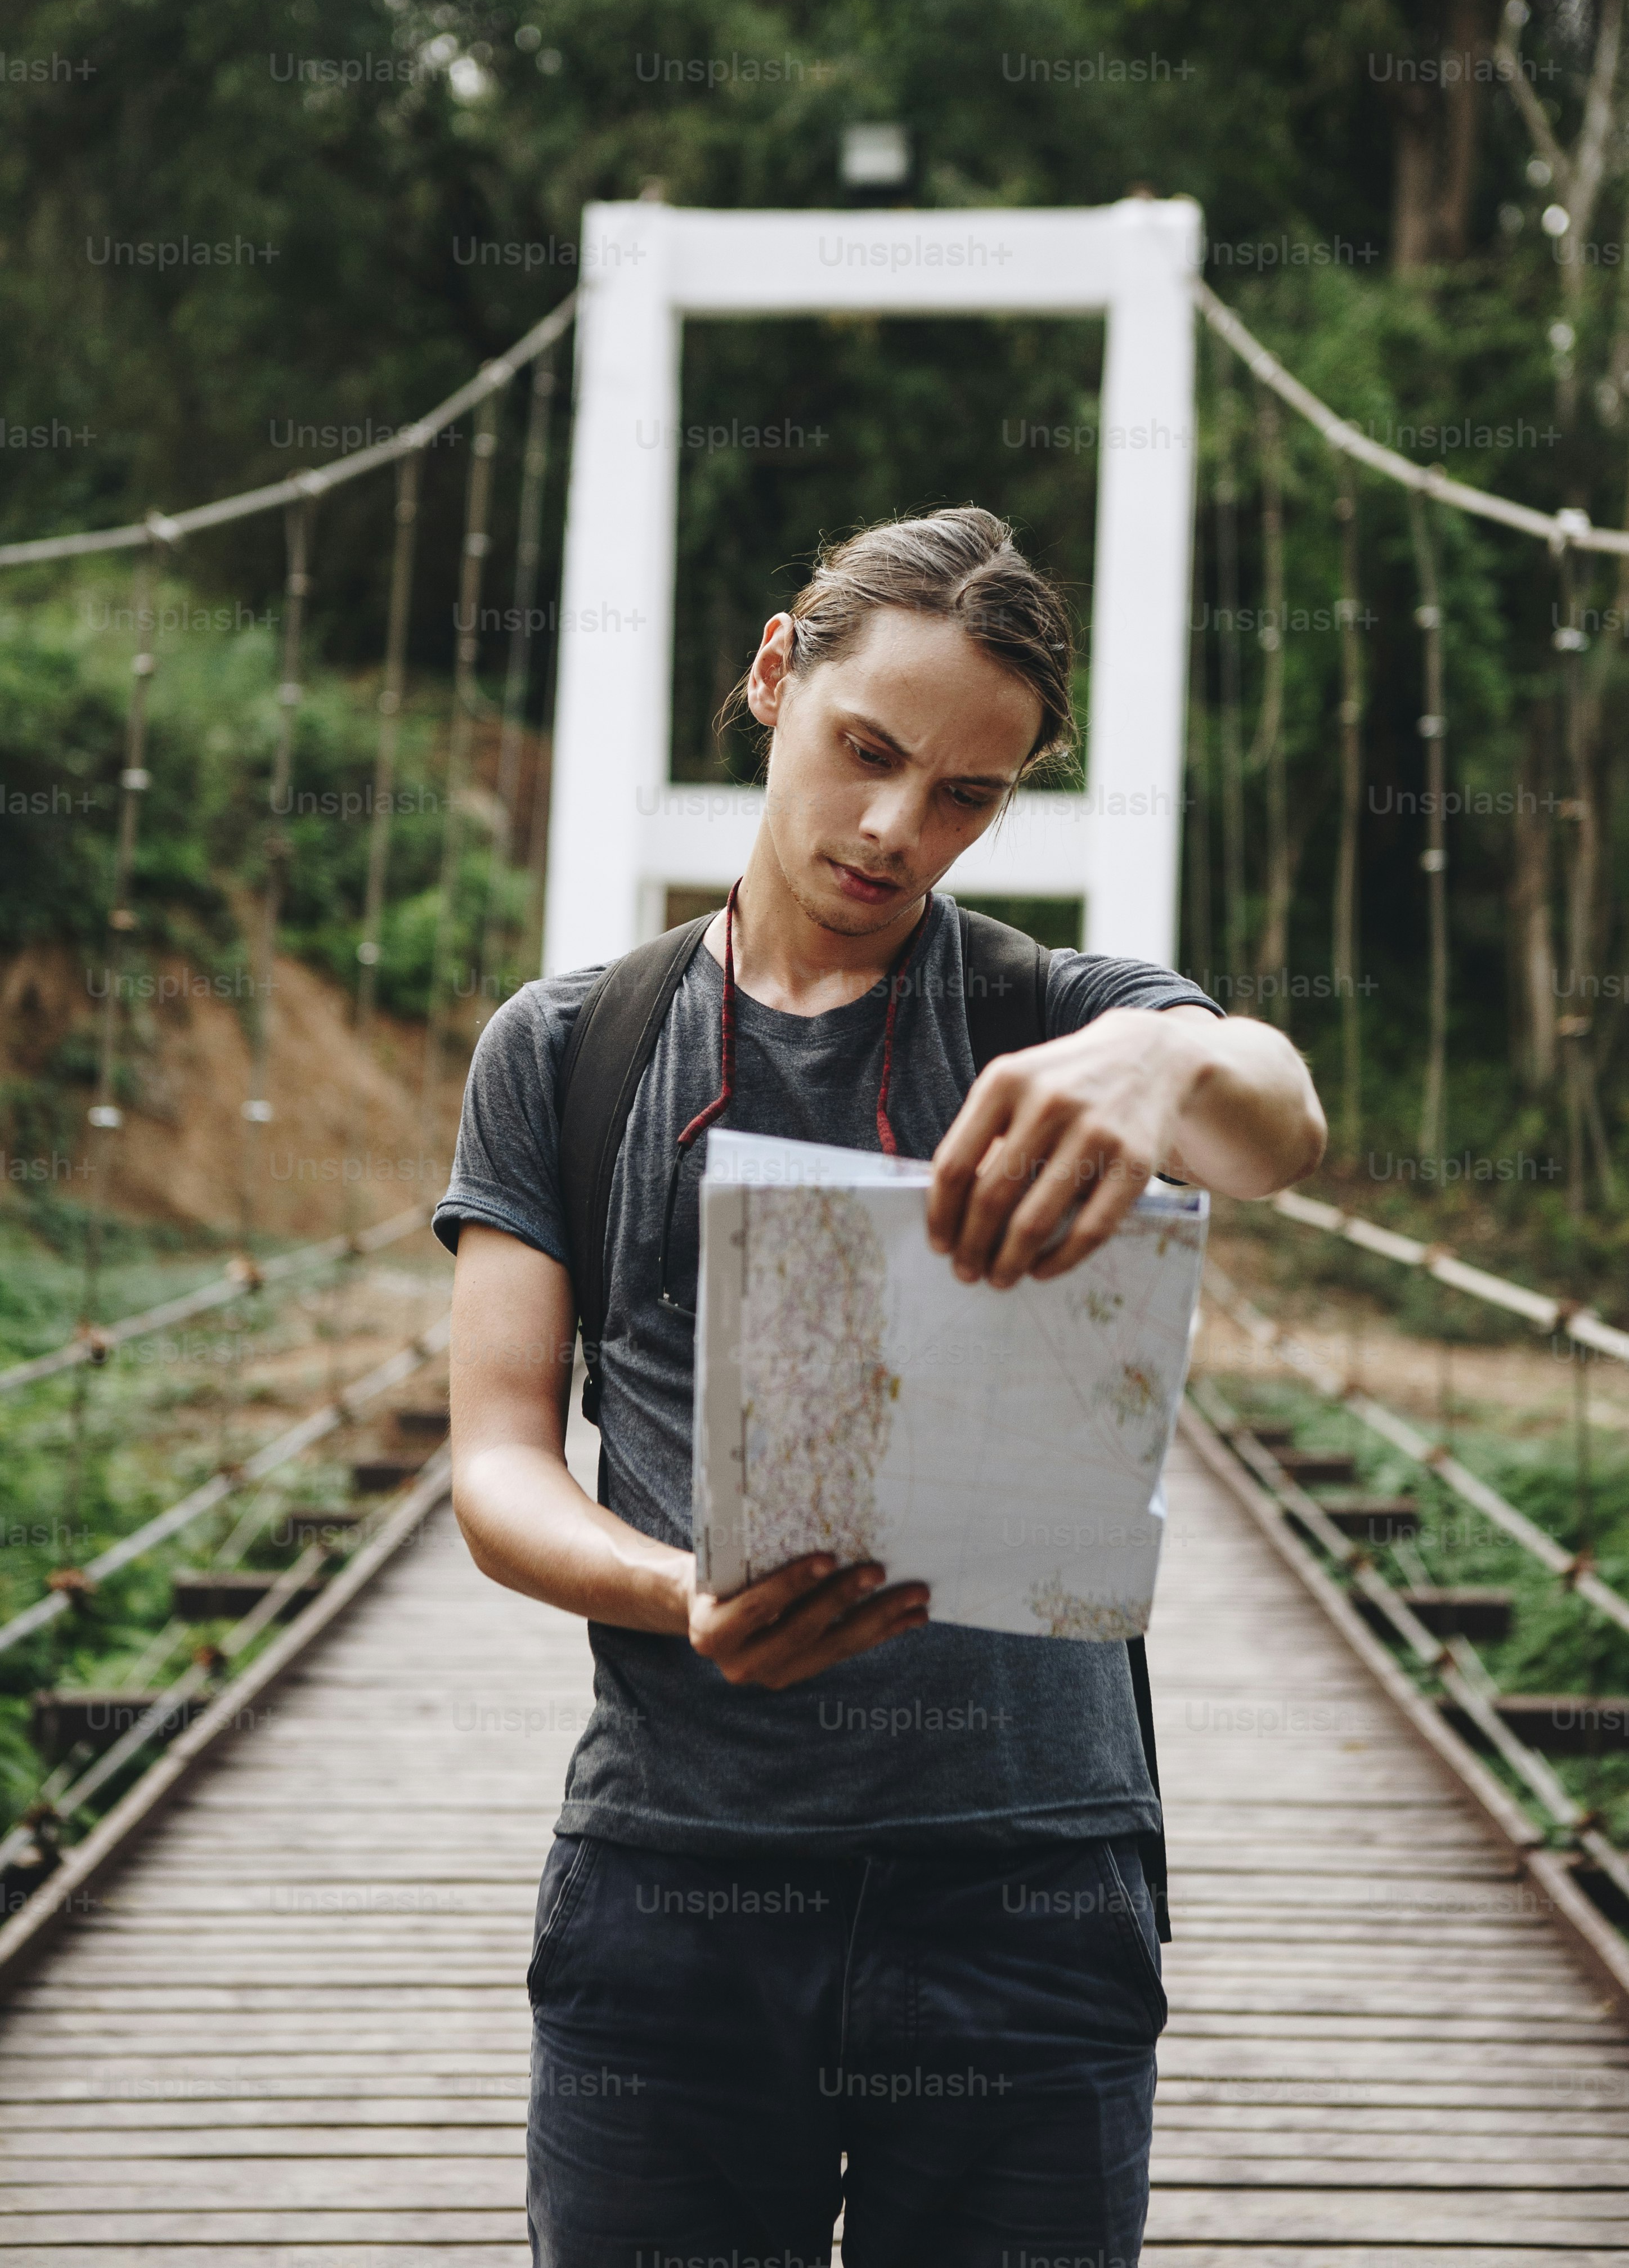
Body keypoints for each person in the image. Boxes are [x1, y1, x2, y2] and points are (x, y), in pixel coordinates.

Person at [436, 506, 1326, 2268]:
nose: (897, 830)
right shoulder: (566, 1050)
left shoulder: (1061, 1017)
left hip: (1031, 1892)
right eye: (867, 752)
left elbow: (1279, 1119)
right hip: (678, 1885)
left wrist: (1164, 1060)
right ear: (776, 672)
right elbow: (497, 1465)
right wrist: (678, 1589)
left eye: (968, 798)